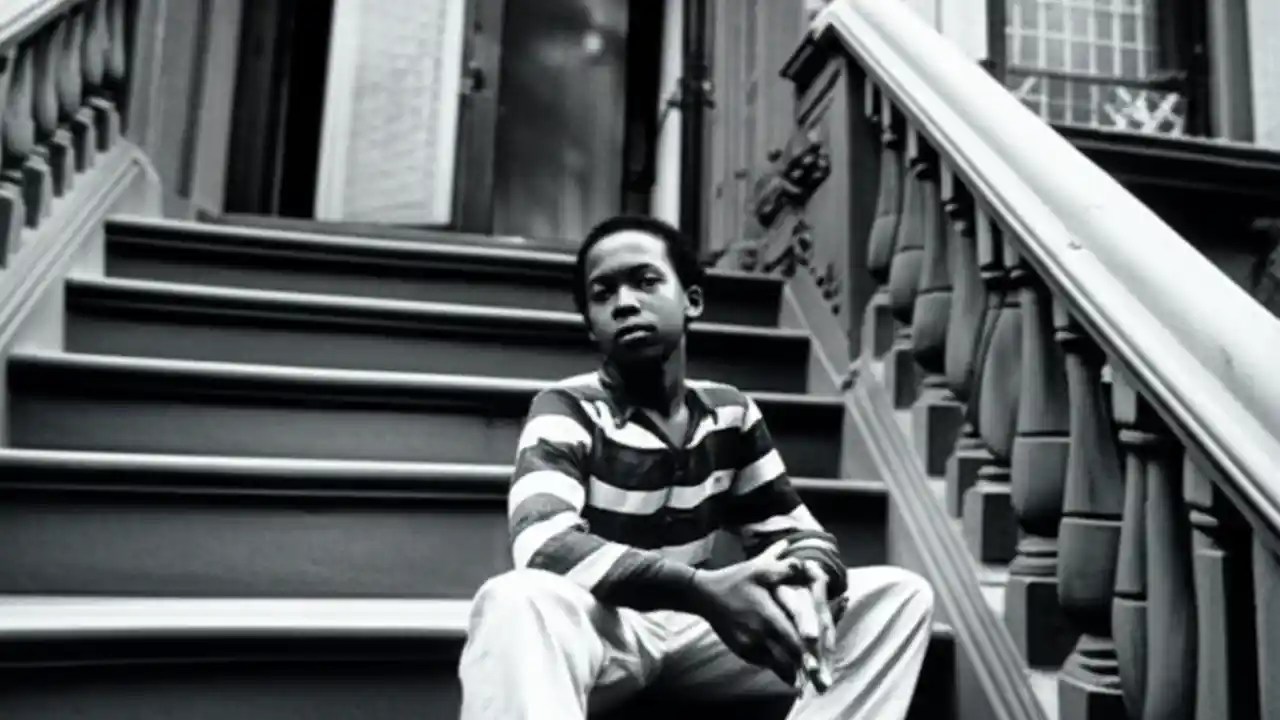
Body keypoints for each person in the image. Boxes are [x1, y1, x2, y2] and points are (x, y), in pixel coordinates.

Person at [458, 215, 934, 719]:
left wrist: (808, 579)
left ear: (692, 300)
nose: (624, 303)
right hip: (606, 632)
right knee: (515, 599)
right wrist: (704, 592)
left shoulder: (730, 413)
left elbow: (799, 533)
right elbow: (544, 545)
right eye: (603, 294)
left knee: (898, 596)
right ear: (592, 326)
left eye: (645, 281)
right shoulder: (567, 408)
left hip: (699, 631)